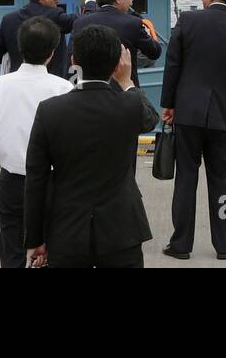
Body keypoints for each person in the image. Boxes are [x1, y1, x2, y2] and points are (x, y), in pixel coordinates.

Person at [24, 25, 158, 268]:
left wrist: (35, 238)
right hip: (122, 228)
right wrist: (127, 82)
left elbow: (36, 181)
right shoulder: (129, 105)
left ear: (74, 61)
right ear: (117, 64)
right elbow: (150, 119)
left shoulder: (50, 110)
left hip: (67, 228)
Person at [160, 0, 226, 261]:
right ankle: (225, 244)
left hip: (188, 113)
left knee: (186, 179)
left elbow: (173, 64)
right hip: (224, 117)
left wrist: (168, 104)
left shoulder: (188, 22)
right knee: (222, 181)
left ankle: (181, 244)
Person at [0, 16, 72, 267]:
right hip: (52, 181)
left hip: (11, 178)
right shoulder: (63, 88)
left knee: (11, 244)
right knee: (53, 248)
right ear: (52, 52)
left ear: (20, 47)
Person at [0, 0, 96, 77]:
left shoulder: (9, 19)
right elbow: (86, 21)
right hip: (52, 87)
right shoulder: (54, 16)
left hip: (18, 85)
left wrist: (16, 59)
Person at [72, 0, 162, 87]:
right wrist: (149, 36)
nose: (132, 2)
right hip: (123, 92)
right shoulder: (133, 23)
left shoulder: (80, 23)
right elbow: (154, 53)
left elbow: (73, 60)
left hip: (88, 92)